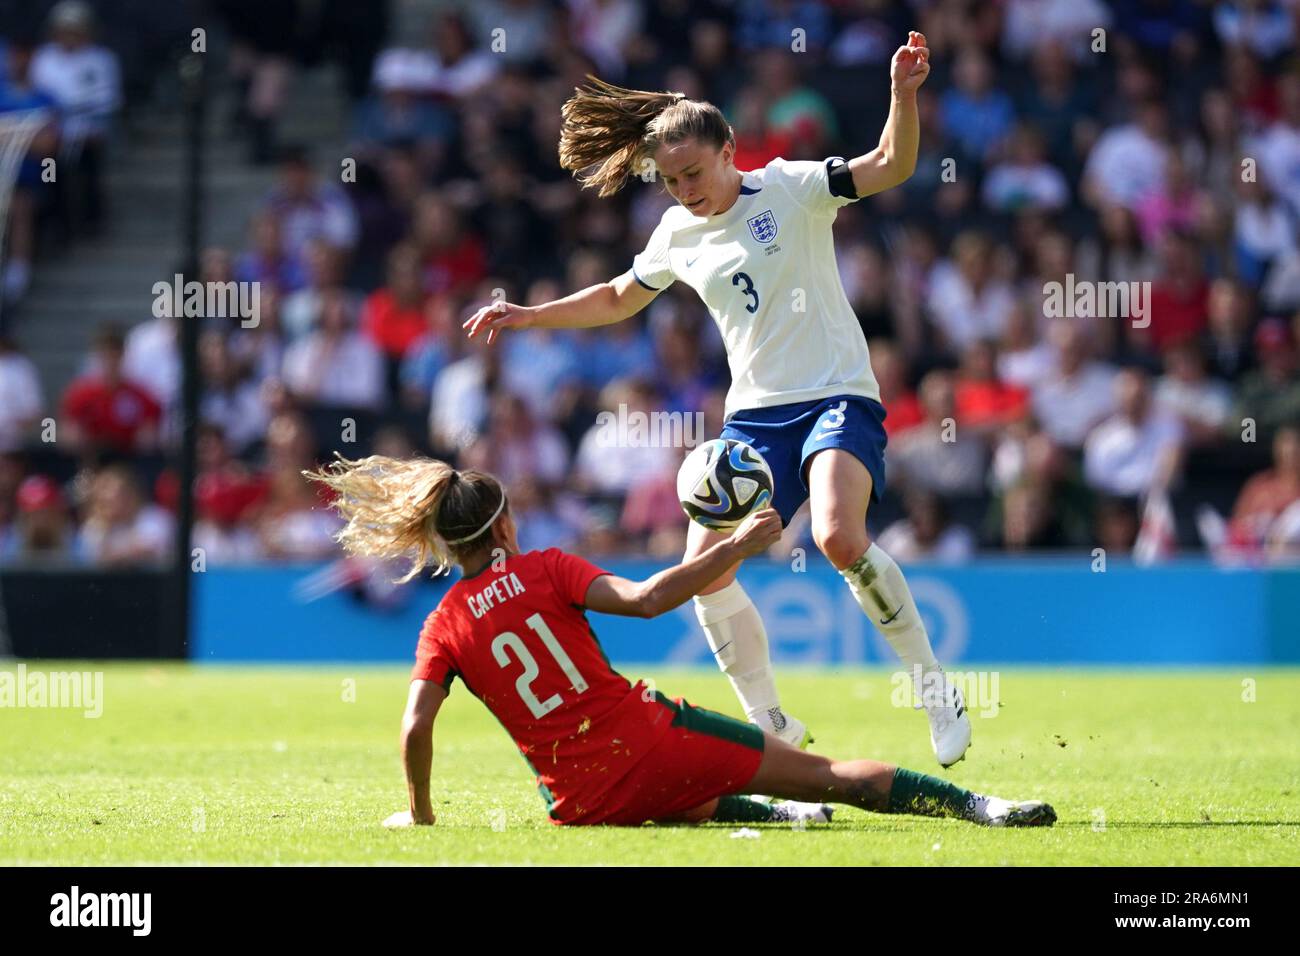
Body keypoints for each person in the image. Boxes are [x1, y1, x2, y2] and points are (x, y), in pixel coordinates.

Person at [463, 32, 975, 768]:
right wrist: (529, 315)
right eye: (670, 181)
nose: (685, 191)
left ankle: (934, 690)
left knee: (836, 537)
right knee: (705, 569)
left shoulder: (790, 187)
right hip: (755, 418)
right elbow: (616, 297)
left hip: (835, 391)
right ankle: (771, 721)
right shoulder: (676, 231)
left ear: (729, 150)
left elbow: (891, 165)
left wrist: (903, 92)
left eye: (694, 173)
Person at [307, 455, 1055, 829]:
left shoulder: (441, 624)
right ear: (503, 526)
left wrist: (421, 813)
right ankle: (977, 805)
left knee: (679, 799)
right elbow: (649, 599)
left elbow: (414, 726)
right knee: (825, 771)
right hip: (648, 742)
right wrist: (738, 544)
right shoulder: (547, 568)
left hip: (576, 799)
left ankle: (779, 815)